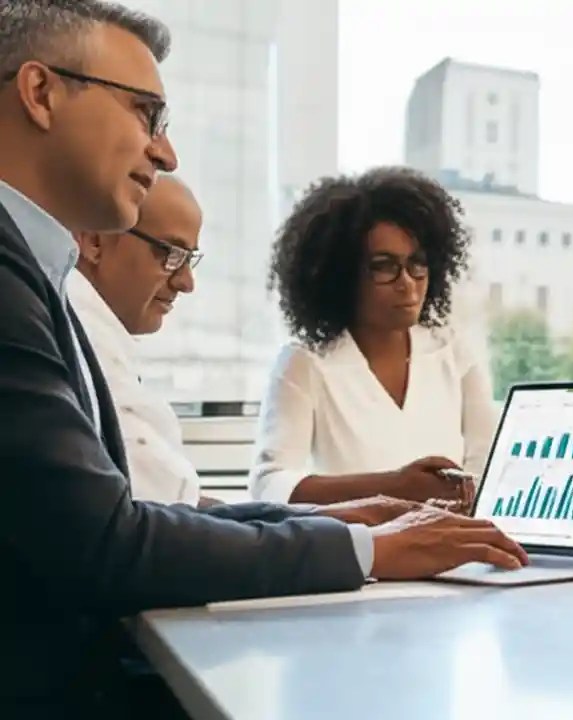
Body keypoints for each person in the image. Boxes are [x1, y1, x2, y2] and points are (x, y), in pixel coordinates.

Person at [0, 2, 525, 711]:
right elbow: (109, 542)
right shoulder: (14, 281)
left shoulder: (40, 275)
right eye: (147, 114)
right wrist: (366, 548)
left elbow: (116, 518)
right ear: (40, 93)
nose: (166, 153)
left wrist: (341, 526)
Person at [250, 167, 498, 507]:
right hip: (361, 540)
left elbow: (488, 469)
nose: (407, 283)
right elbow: (269, 485)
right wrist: (394, 486)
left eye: (417, 263)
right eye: (384, 266)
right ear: (341, 275)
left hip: (452, 538)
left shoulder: (453, 353)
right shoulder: (306, 364)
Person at [69, 174, 212, 506]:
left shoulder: (103, 336)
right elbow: (157, 502)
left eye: (189, 259)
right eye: (170, 253)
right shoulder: (83, 339)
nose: (187, 282)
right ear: (94, 241)